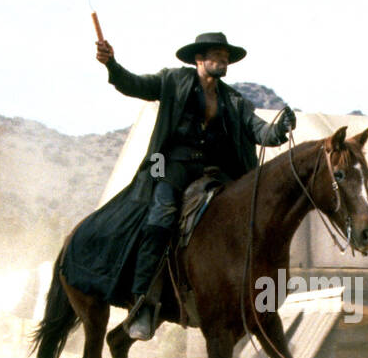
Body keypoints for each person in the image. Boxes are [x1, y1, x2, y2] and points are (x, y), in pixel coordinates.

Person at [93, 31, 296, 340]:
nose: (224, 60)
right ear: (199, 59)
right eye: (218, 54)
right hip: (168, 164)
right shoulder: (173, 81)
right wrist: (112, 65)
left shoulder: (234, 100)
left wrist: (280, 128)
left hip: (214, 171)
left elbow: (261, 132)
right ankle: (144, 304)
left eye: (226, 56)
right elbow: (134, 84)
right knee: (160, 218)